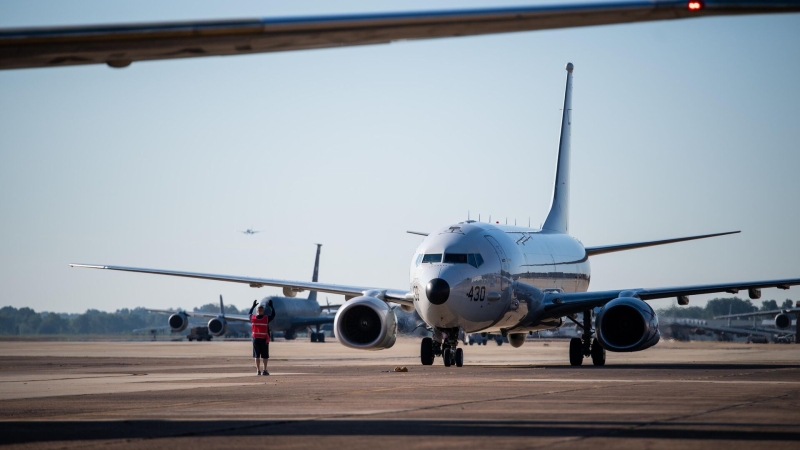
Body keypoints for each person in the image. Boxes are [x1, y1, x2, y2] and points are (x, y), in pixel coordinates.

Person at [249, 299, 276, 375]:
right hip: (264, 339)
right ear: (263, 311)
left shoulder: (253, 318)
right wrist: (271, 307)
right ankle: (265, 370)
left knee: (256, 355)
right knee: (265, 356)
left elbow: (249, 313)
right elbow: (273, 315)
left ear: (257, 311)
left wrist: (253, 306)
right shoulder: (266, 318)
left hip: (255, 339)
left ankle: (258, 370)